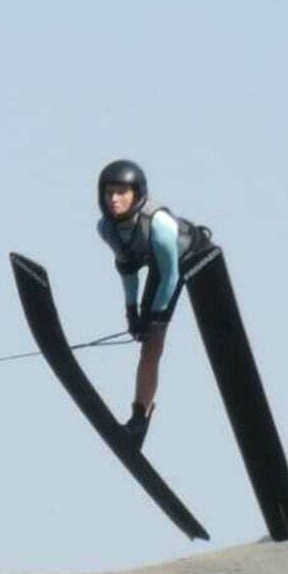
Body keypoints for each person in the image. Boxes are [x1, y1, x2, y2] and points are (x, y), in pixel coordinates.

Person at [94, 159, 214, 447]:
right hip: (159, 265)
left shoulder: (158, 224)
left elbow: (170, 274)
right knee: (148, 345)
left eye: (121, 192)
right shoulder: (106, 228)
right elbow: (127, 270)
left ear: (136, 194)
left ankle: (140, 419)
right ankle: (139, 421)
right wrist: (131, 313)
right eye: (109, 192)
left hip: (194, 256)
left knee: (154, 336)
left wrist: (156, 317)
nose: (114, 199)